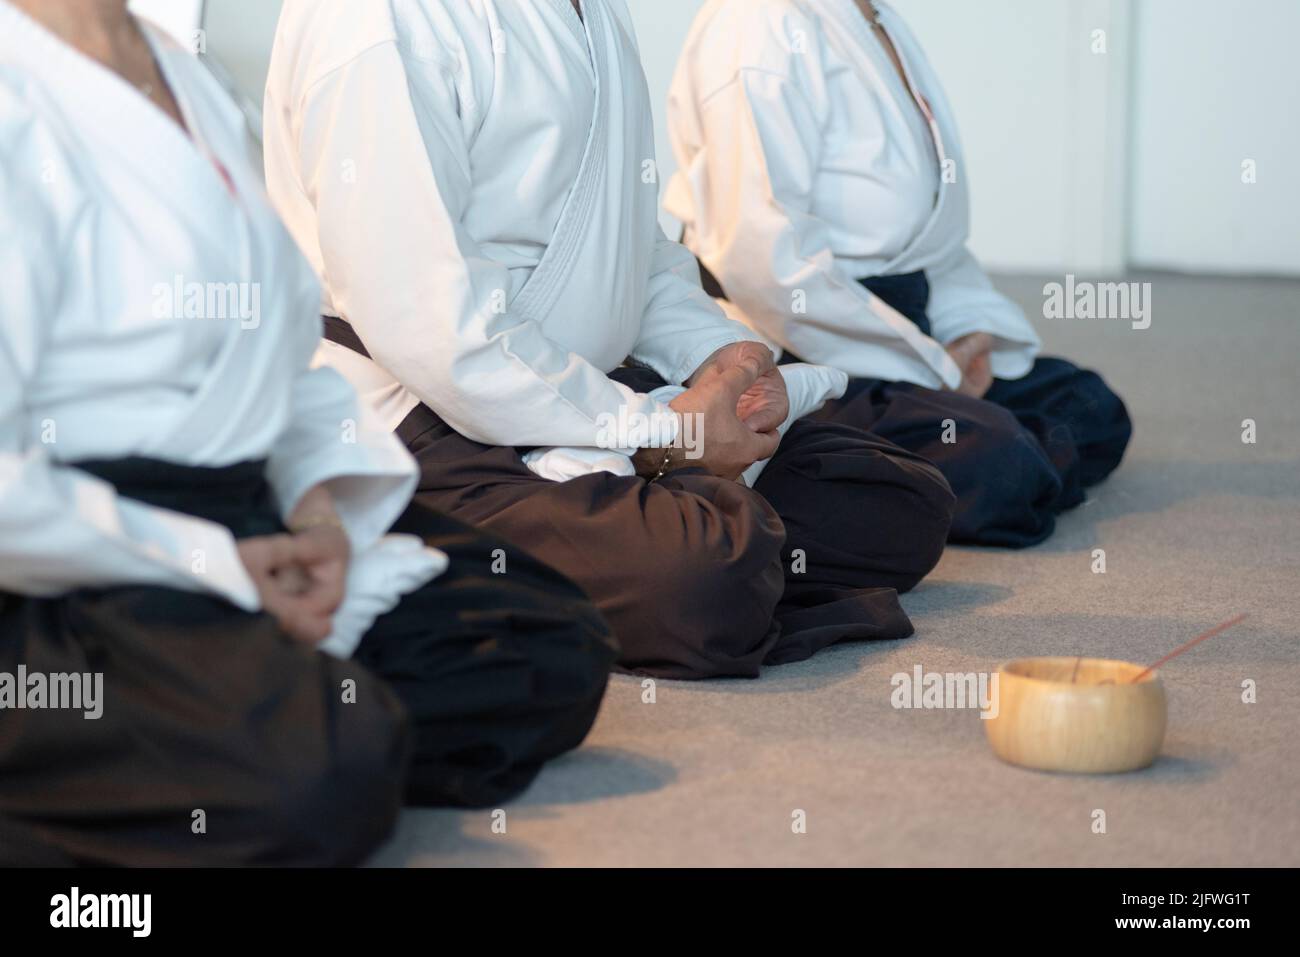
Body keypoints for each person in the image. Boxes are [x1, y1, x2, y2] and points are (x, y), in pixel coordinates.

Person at [0, 0, 615, 867]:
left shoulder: (186, 76)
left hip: (246, 506)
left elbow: (283, 356)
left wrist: (319, 515)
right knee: (321, 776)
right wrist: (207, 562)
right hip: (76, 555)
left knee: (544, 651)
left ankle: (247, 697)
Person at [264, 0, 956, 680]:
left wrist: (719, 357)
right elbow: (425, 321)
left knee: (901, 504)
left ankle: (656, 523)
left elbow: (633, 242)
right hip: (422, 419)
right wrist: (654, 431)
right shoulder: (376, 17)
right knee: (709, 576)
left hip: (588, 393)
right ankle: (438, 542)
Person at [665, 0, 1133, 547]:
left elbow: (929, 235)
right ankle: (802, 455)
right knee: (1004, 465)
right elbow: (763, 262)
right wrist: (936, 369)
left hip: (902, 327)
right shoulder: (760, 24)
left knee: (1093, 408)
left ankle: (888, 462)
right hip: (798, 344)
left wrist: (966, 334)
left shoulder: (872, 15)